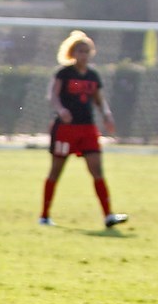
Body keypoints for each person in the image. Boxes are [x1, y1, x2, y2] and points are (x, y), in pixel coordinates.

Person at [39, 30, 128, 228]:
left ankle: (108, 216)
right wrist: (61, 110)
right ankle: (44, 215)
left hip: (87, 128)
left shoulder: (93, 75)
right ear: (73, 52)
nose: (84, 55)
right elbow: (53, 96)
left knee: (97, 169)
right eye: (80, 51)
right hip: (66, 129)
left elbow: (99, 100)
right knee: (56, 171)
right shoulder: (64, 73)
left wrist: (106, 114)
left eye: (87, 51)